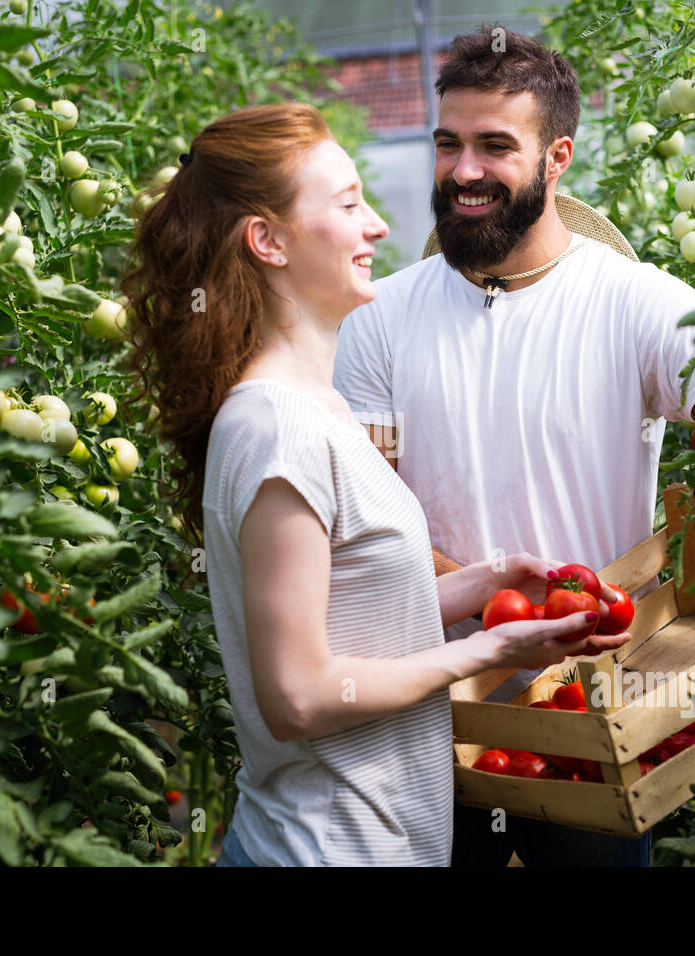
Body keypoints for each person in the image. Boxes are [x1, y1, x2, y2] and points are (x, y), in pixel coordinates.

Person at [334, 27, 695, 866]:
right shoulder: (378, 319)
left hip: (598, 717)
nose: (464, 171)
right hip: (437, 709)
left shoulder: (641, 307)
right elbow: (373, 520)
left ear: (556, 157)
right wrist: (497, 607)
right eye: (448, 144)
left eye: (496, 146)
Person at [120, 102, 633, 867]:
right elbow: (298, 697)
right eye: (348, 204)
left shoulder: (314, 408)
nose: (379, 228)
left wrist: (485, 583)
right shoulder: (279, 429)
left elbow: (351, 612)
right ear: (268, 241)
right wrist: (485, 647)